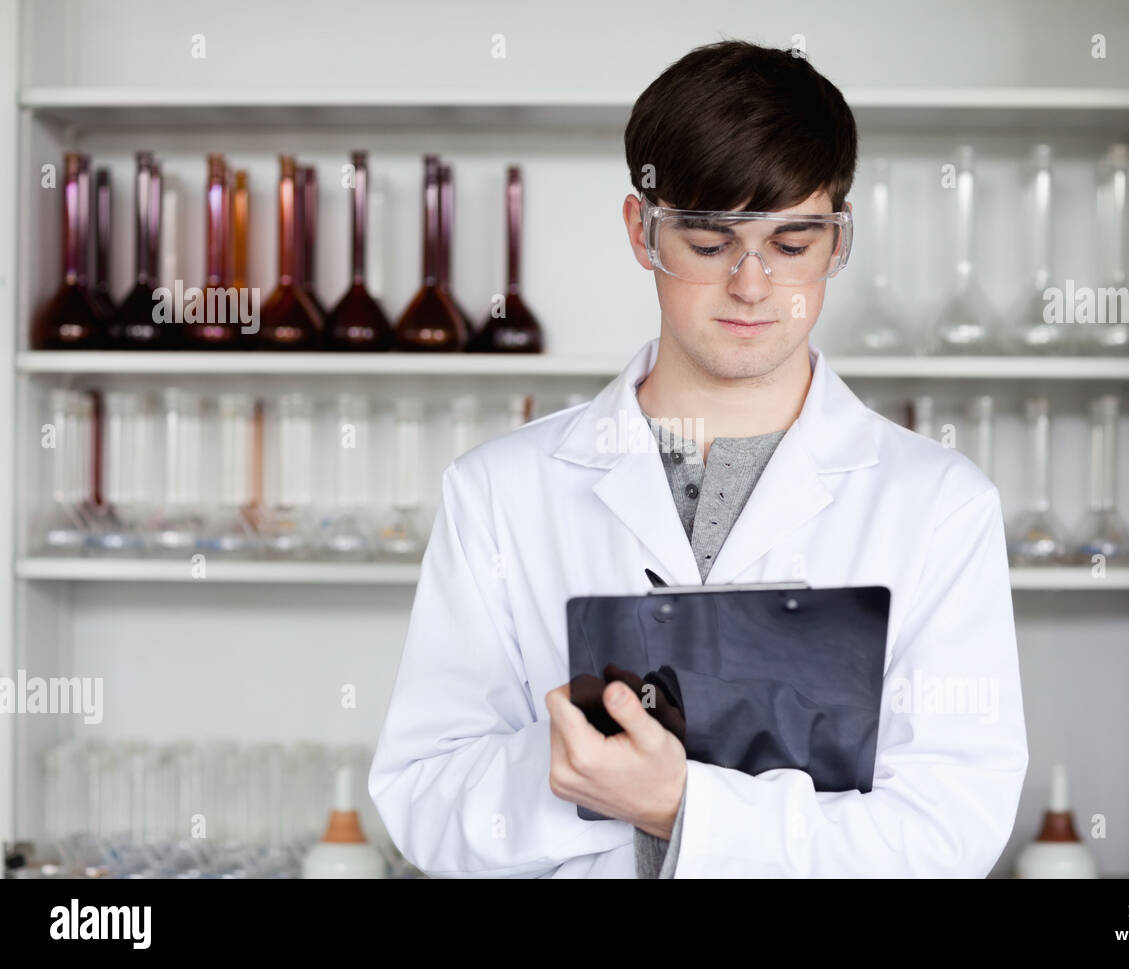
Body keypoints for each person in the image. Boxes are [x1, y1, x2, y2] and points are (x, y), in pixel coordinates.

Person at [369, 39, 1028, 877]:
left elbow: (949, 831)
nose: (752, 285)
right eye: (711, 243)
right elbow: (423, 797)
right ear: (643, 231)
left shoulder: (938, 503)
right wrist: (579, 761)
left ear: (839, 241)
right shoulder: (499, 490)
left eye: (792, 243)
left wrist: (681, 802)